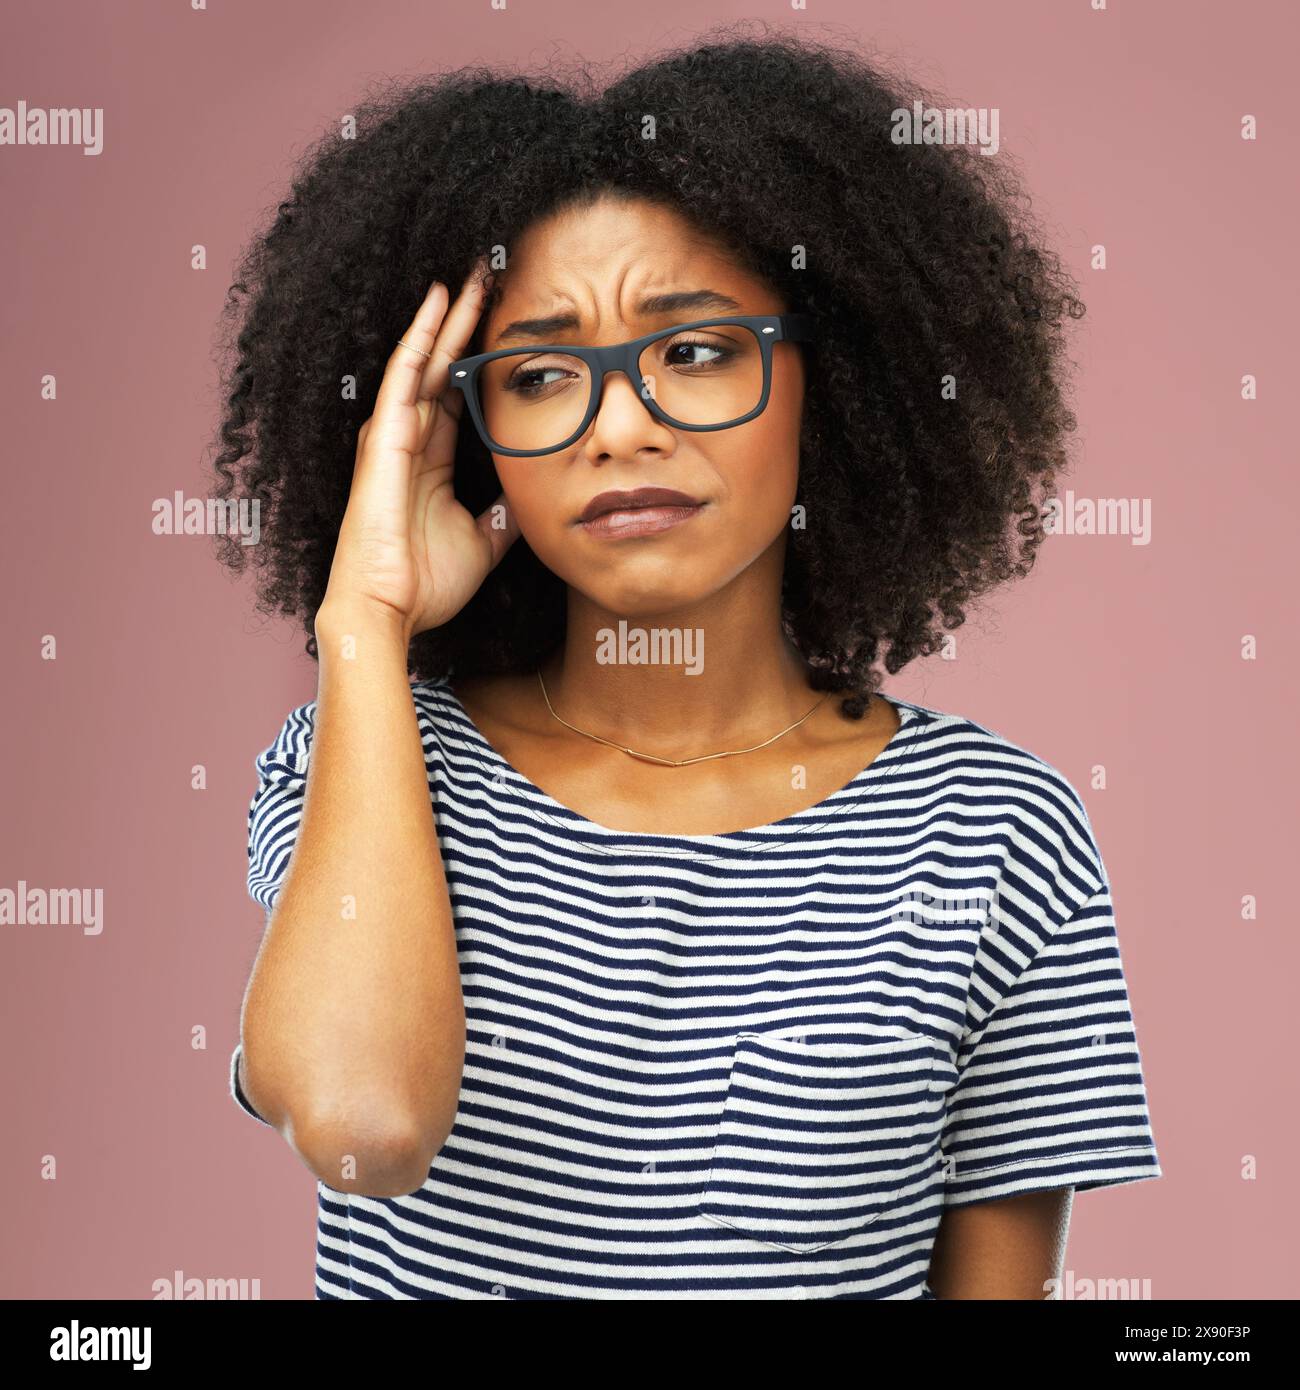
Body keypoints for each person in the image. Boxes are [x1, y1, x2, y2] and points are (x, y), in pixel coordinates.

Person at [213, 27, 1161, 1300]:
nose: (620, 428)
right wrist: (361, 624)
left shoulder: (992, 832)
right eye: (541, 374)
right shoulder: (368, 758)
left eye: (698, 352)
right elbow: (362, 1124)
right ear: (461, 427)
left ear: (835, 380)